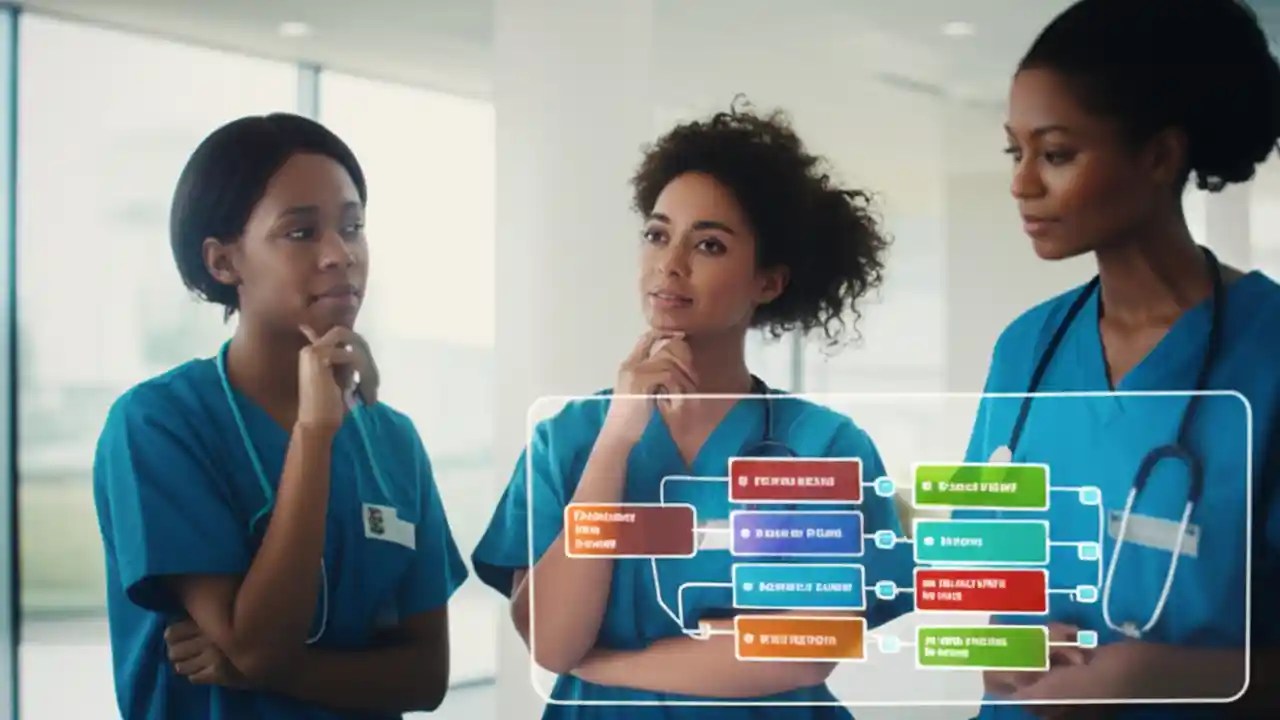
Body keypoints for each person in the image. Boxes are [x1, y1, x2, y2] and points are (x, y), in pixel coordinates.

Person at [472, 100, 913, 718]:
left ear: (769, 282)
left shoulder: (826, 446)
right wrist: (617, 439)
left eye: (708, 244)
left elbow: (803, 652)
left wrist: (606, 667)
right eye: (657, 234)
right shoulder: (568, 441)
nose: (669, 264)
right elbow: (552, 641)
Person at [92, 113, 468, 719]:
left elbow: (425, 678)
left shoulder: (391, 439)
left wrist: (268, 669)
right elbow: (262, 644)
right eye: (301, 233)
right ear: (222, 262)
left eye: (353, 227)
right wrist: (314, 435)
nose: (340, 254)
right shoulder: (157, 425)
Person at [963, 0, 1280, 716]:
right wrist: (1003, 651)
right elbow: (989, 586)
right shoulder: (1027, 351)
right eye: (1016, 152)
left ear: (1160, 156)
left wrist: (1158, 677)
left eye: (1057, 153)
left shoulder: (1268, 357)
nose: (1022, 183)